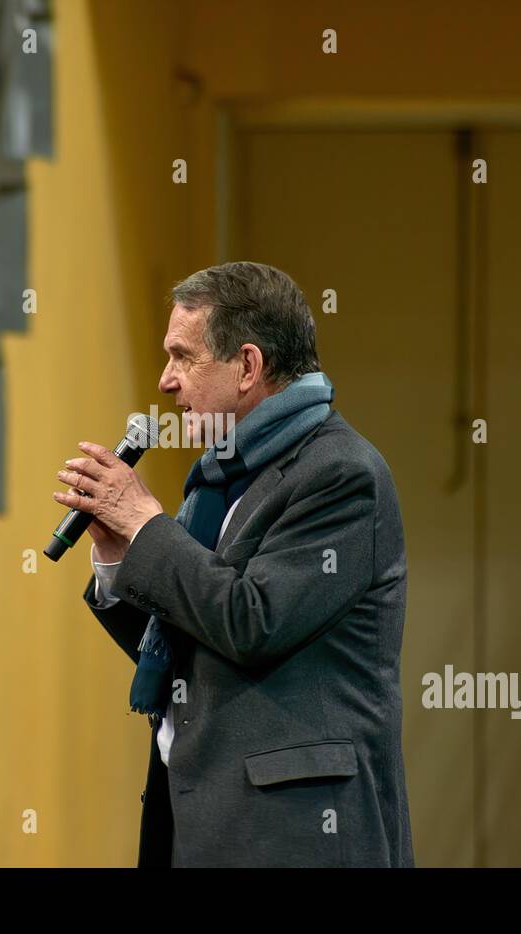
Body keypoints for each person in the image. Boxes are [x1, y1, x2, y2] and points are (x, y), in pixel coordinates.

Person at [57, 262, 414, 867]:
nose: (165, 381)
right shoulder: (222, 479)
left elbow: (254, 623)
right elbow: (195, 642)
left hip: (297, 836)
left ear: (247, 366)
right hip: (207, 821)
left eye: (182, 357)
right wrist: (120, 558)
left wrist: (146, 525)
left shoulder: (339, 473)